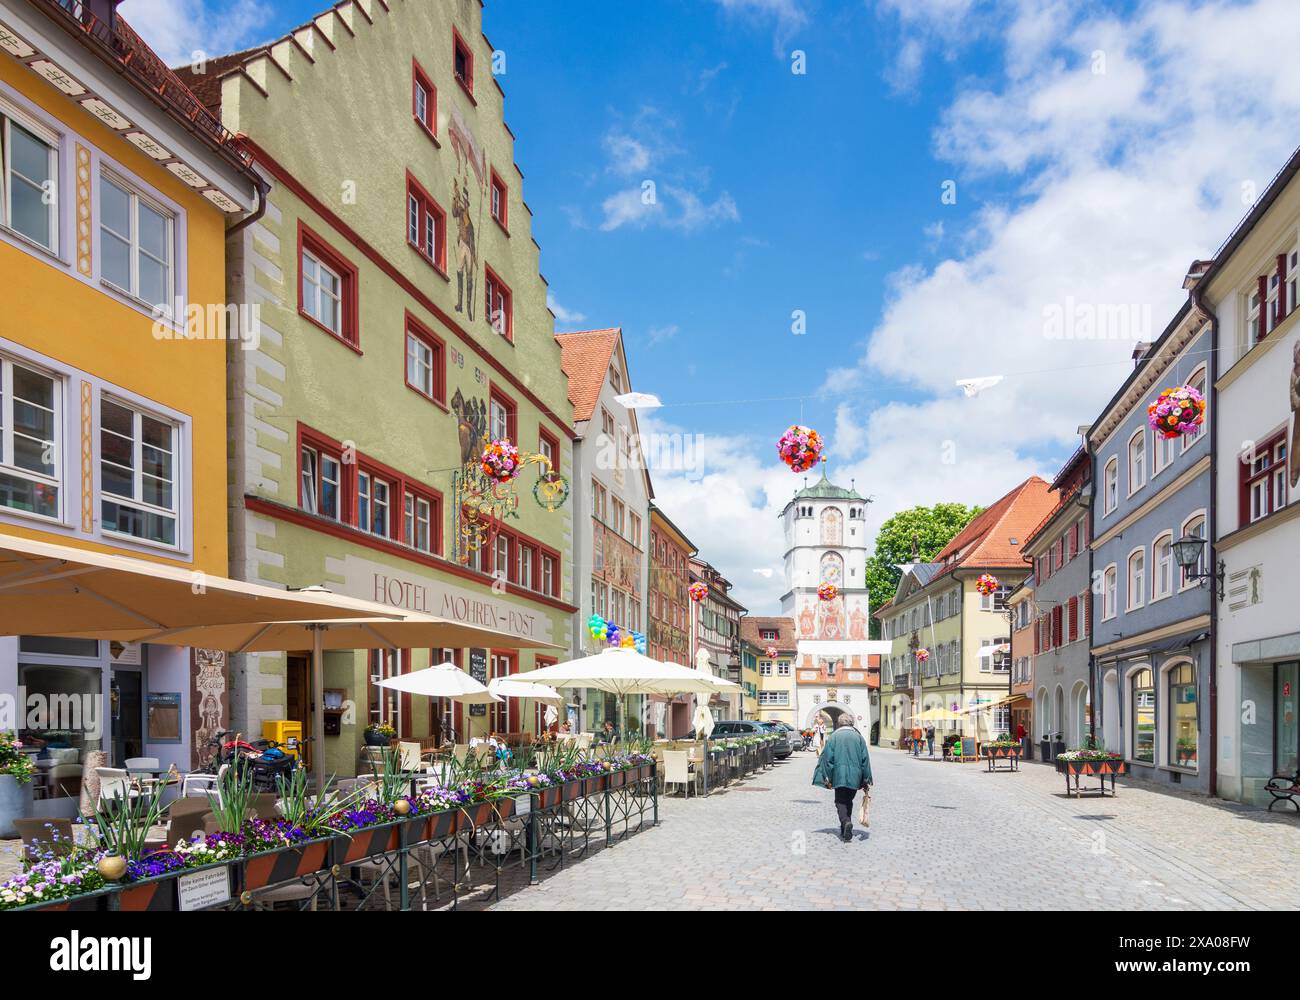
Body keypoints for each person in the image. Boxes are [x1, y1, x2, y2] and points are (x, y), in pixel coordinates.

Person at [812, 716, 873, 842]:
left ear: (839, 724)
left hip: (839, 774)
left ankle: (846, 822)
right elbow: (865, 760)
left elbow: (827, 759)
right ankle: (845, 827)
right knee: (848, 800)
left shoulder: (834, 737)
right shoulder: (859, 738)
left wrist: (827, 777)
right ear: (852, 724)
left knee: (840, 800)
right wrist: (866, 778)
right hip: (855, 775)